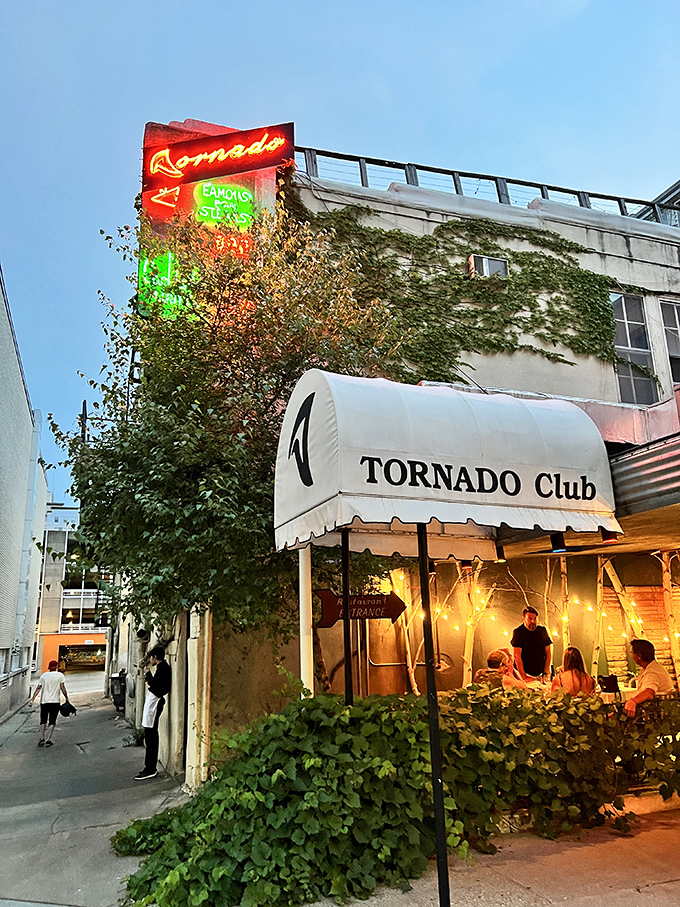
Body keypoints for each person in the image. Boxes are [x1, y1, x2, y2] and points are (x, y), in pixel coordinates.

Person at [135, 645, 172, 780]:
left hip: (155, 703)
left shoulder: (164, 669)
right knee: (149, 735)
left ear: (154, 657)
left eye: (151, 657)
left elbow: (156, 686)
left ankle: (150, 768)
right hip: (152, 702)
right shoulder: (162, 668)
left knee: (151, 736)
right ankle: (149, 767)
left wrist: (147, 674)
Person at [623, 638, 675, 717]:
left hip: (657, 716)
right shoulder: (649, 667)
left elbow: (649, 692)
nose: (631, 656)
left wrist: (633, 701)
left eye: (631, 653)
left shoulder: (652, 672)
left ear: (639, 656)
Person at [30, 659, 70, 747]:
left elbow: (38, 688)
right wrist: (66, 698)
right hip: (55, 702)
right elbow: (62, 688)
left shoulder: (44, 676)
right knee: (52, 721)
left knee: (43, 720)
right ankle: (48, 740)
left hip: (44, 701)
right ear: (56, 666)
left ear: (49, 667)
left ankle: (42, 738)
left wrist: (32, 700)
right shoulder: (60, 676)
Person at [511, 606, 552, 682]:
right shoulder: (518, 632)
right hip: (523, 674)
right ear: (524, 619)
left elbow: (548, 653)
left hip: (540, 674)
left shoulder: (542, 631)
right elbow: (517, 656)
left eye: (535, 618)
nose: (533, 621)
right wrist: (523, 677)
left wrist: (545, 673)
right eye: (530, 618)